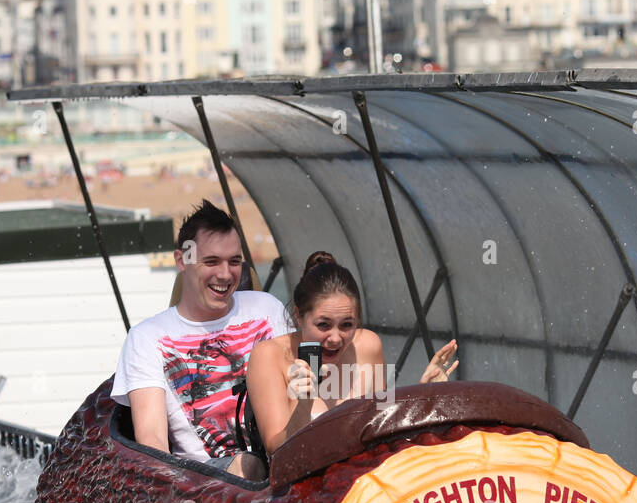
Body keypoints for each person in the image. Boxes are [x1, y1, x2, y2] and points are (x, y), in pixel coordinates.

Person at [111, 200, 292, 478]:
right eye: (211, 261)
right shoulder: (147, 338)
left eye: (234, 262)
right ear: (182, 260)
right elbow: (153, 446)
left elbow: (301, 391)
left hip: (282, 458)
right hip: (204, 483)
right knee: (249, 465)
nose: (225, 274)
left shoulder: (267, 309)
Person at [246, 259, 458, 457]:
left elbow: (384, 428)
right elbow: (276, 450)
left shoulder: (367, 345)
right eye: (323, 325)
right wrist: (304, 405)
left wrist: (424, 395)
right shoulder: (269, 355)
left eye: (347, 325)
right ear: (299, 316)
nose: (336, 338)